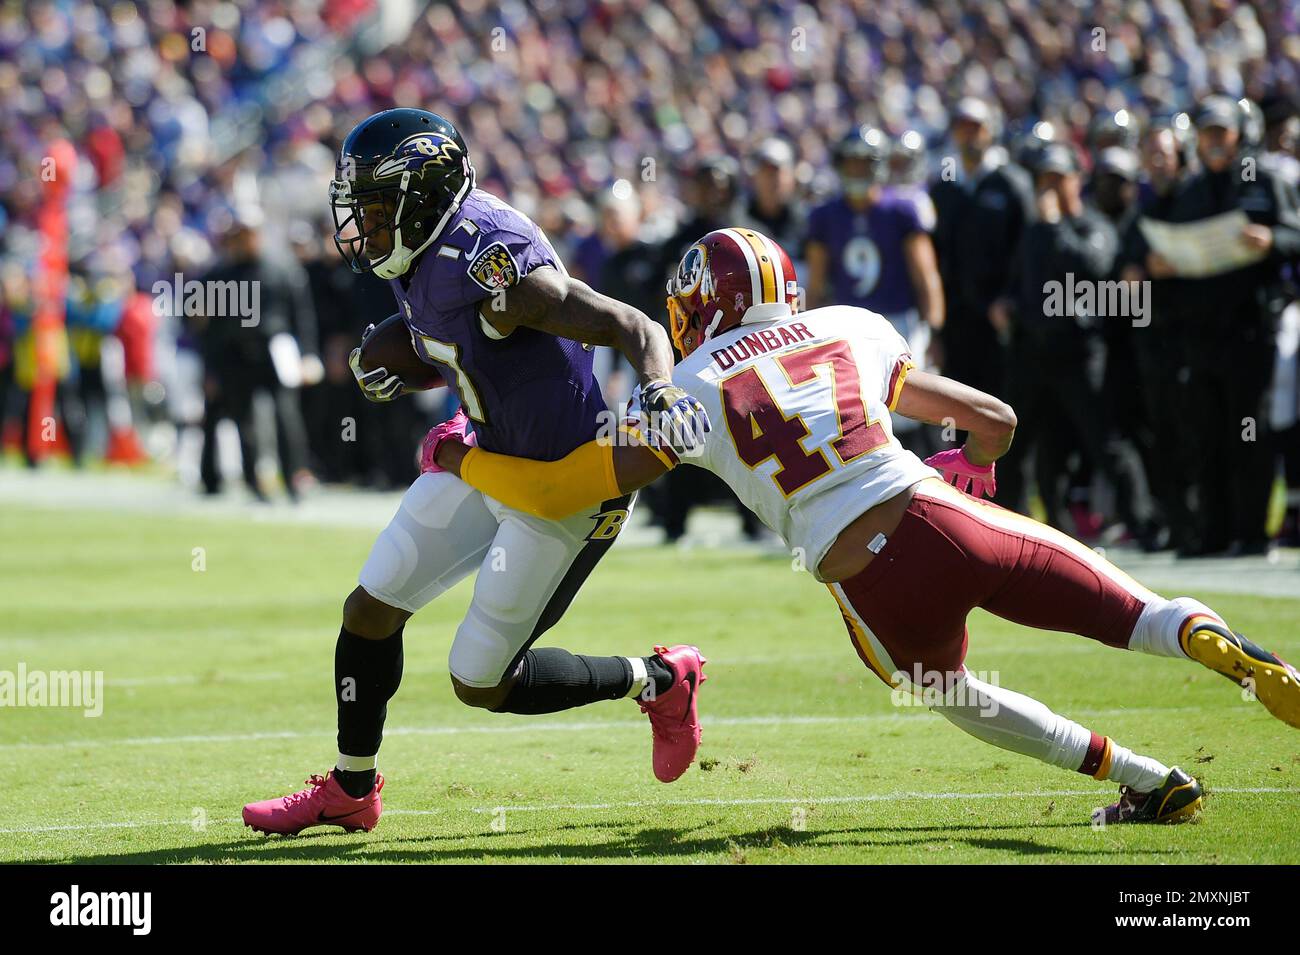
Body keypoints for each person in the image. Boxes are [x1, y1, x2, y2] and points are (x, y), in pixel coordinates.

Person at [430, 227, 1300, 824]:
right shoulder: (850, 326)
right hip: (943, 511)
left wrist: (461, 456)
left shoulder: (688, 385)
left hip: (870, 582)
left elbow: (558, 493)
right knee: (1137, 613)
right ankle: (1218, 645)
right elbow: (992, 418)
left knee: (954, 694)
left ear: (704, 305)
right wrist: (978, 476)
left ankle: (1147, 779)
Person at [241, 109, 714, 836]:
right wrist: (404, 358)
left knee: (480, 681)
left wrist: (658, 389)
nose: (360, 227)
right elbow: (464, 344)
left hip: (563, 484)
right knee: (370, 607)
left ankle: (659, 677)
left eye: (374, 207)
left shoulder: (495, 258)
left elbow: (632, 325)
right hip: (485, 453)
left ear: (422, 197)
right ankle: (351, 787)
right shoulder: (423, 249)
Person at [805, 126, 944, 455]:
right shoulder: (825, 216)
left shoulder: (901, 210)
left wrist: (934, 329)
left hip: (900, 322)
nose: (857, 170)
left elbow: (926, 275)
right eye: (851, 163)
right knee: (858, 413)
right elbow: (816, 282)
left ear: (878, 164)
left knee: (911, 412)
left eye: (864, 163)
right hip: (847, 329)